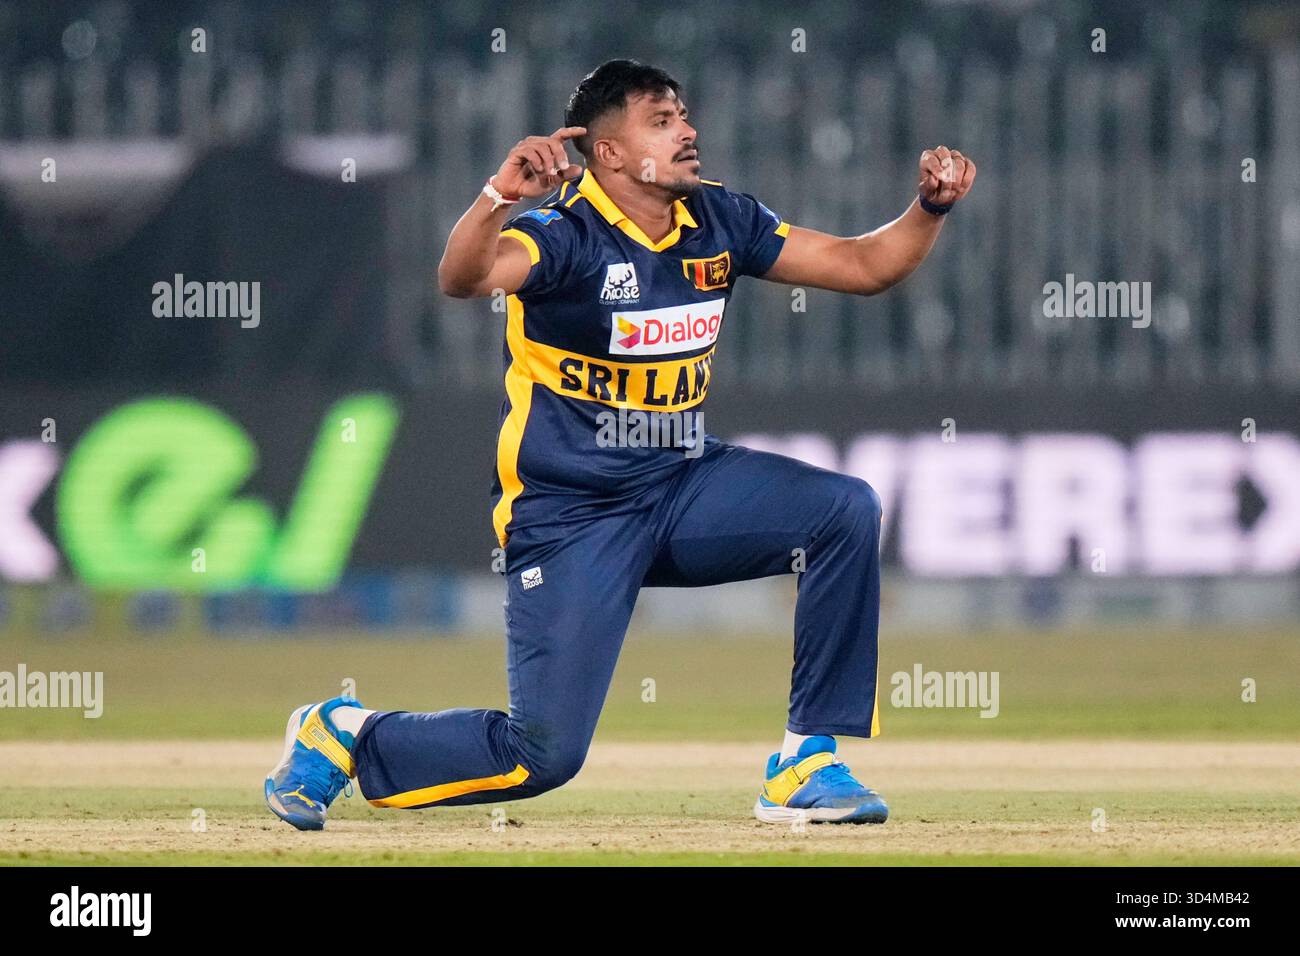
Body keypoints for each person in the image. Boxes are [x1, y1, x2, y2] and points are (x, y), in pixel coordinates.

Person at [265, 58, 975, 830]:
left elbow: (864, 265)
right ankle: (343, 732)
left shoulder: (719, 220)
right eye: (662, 121)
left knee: (843, 510)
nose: (689, 131)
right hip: (573, 514)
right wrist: (499, 199)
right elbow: (463, 278)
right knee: (540, 756)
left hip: (683, 485)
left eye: (684, 115)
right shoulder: (564, 233)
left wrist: (927, 209)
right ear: (609, 152)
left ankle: (806, 759)